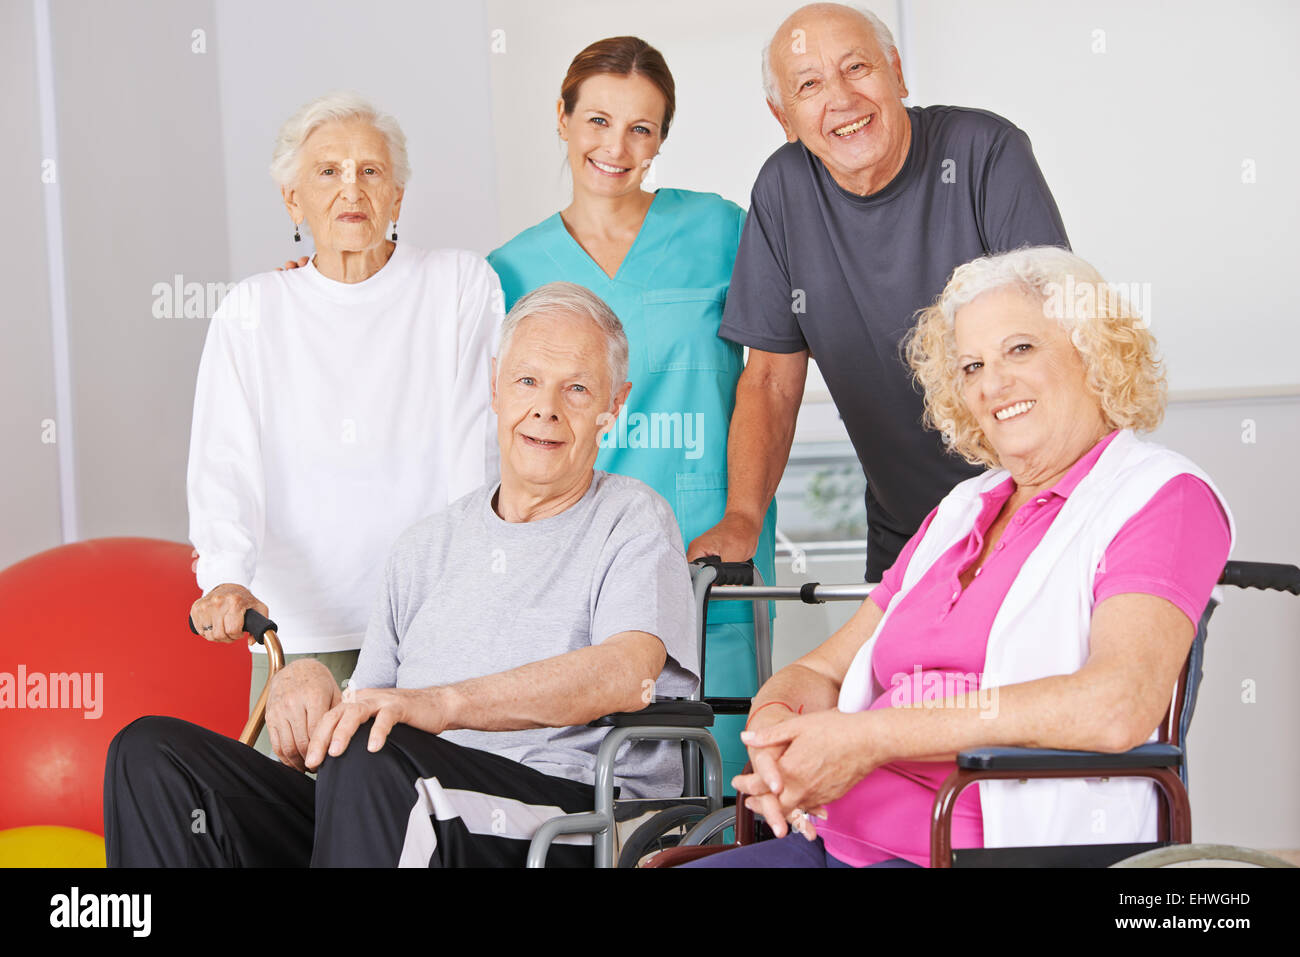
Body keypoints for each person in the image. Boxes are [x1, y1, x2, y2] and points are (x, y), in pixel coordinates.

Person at [105, 282, 699, 867]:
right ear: (495, 386)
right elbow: (365, 710)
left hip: (567, 813)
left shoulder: (632, 517)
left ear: (613, 405)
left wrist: (442, 705)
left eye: (576, 389)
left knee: (375, 758)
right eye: (526, 381)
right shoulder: (426, 545)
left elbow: (628, 673)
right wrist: (311, 687)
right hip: (394, 799)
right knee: (152, 754)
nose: (545, 408)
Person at [686, 246, 1234, 867]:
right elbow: (823, 673)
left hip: (980, 850)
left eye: (1020, 349)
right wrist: (777, 731)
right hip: (833, 839)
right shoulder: (960, 509)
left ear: (1091, 350)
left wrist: (869, 738)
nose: (993, 383)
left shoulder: (1159, 494)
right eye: (971, 366)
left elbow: (1116, 705)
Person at [691, 2, 1070, 582]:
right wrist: (743, 516)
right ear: (783, 115)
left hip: (1034, 507)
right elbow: (770, 377)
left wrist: (1019, 514)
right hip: (908, 530)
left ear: (895, 71)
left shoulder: (985, 151)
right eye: (809, 84)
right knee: (884, 677)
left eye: (857, 68)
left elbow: (1046, 342)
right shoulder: (784, 188)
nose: (840, 99)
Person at [486, 36, 777, 790]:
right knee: (594, 774)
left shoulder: (722, 231)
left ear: (661, 140)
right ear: (562, 118)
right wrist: (319, 277)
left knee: (727, 774)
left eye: (642, 129)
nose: (617, 147)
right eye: (598, 121)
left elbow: (784, 358)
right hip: (578, 561)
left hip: (712, 548)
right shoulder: (508, 270)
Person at [185, 92, 501, 758]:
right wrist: (224, 572)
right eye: (327, 172)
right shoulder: (252, 310)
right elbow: (225, 463)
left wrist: (469, 593)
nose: (350, 188)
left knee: (421, 830)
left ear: (398, 197)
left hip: (429, 628)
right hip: (302, 632)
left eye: (371, 171)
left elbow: (476, 451)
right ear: (293, 201)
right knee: (292, 827)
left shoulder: (458, 284)